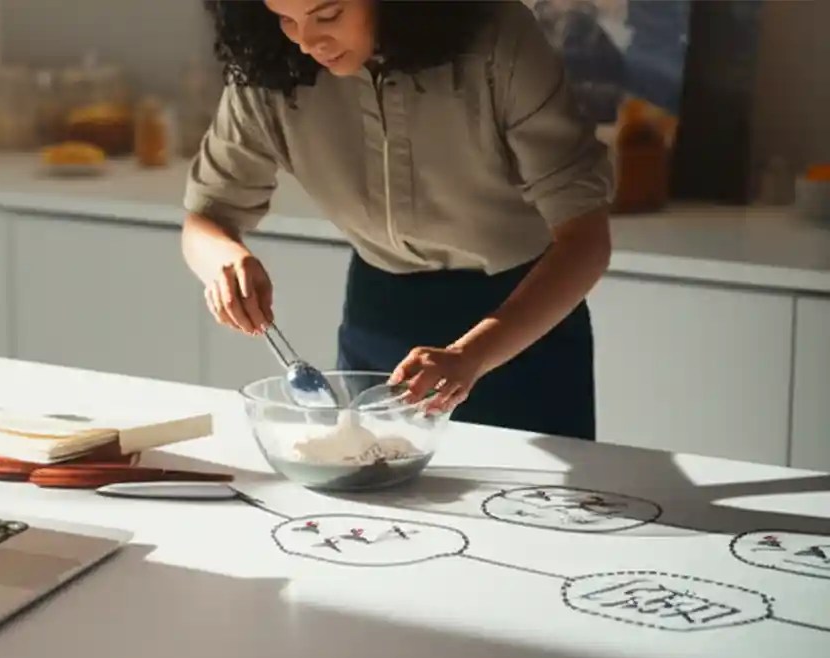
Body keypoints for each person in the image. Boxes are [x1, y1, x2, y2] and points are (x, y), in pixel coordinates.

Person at [180, 0, 614, 440]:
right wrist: (224, 261)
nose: (307, 42)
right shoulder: (271, 62)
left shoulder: (496, 37)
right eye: (286, 20)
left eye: (328, 16)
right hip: (378, 315)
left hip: (524, 319)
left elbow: (586, 240)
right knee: (370, 473)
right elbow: (206, 218)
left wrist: (470, 355)